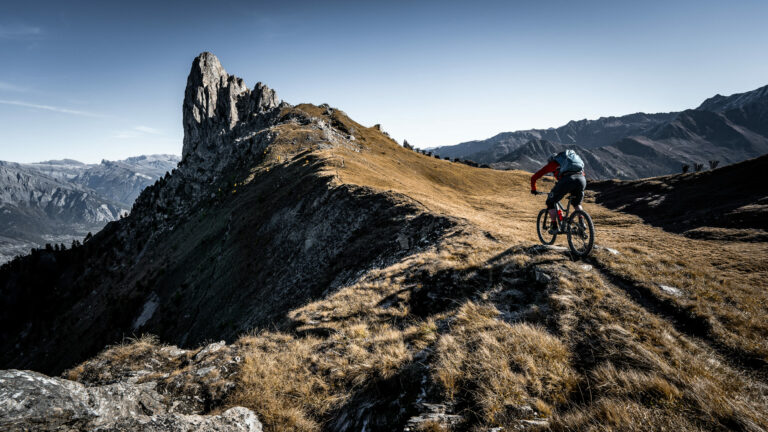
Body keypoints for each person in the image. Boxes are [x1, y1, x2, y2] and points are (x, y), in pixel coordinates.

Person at [530, 150, 587, 233]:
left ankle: (554, 227)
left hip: (568, 180)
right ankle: (582, 222)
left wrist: (533, 189)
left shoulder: (553, 163)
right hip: (582, 180)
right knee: (577, 203)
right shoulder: (570, 163)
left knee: (550, 202)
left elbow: (534, 177)